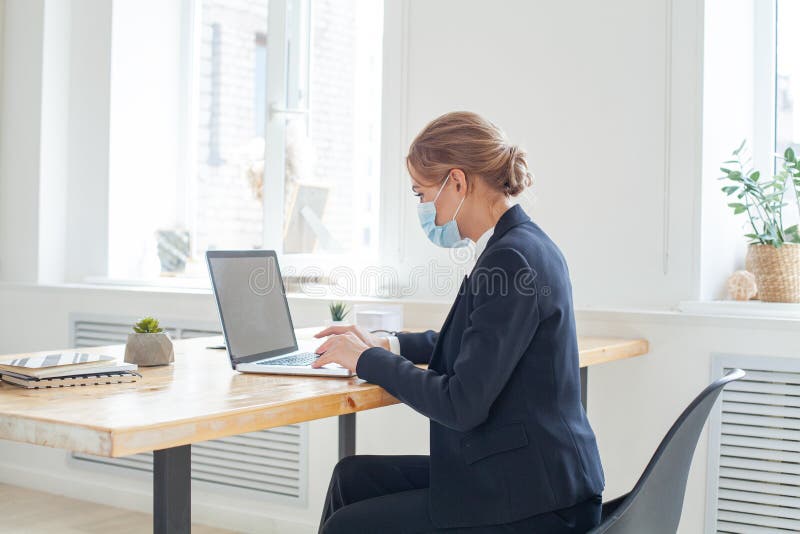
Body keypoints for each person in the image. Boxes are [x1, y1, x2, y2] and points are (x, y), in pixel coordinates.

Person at [311, 111, 604, 533]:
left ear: (458, 182)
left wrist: (369, 361)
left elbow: (460, 403)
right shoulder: (520, 243)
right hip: (530, 474)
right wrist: (387, 343)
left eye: (421, 193)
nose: (422, 207)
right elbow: (478, 339)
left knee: (348, 525)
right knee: (350, 479)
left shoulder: (510, 257)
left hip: (536, 501)